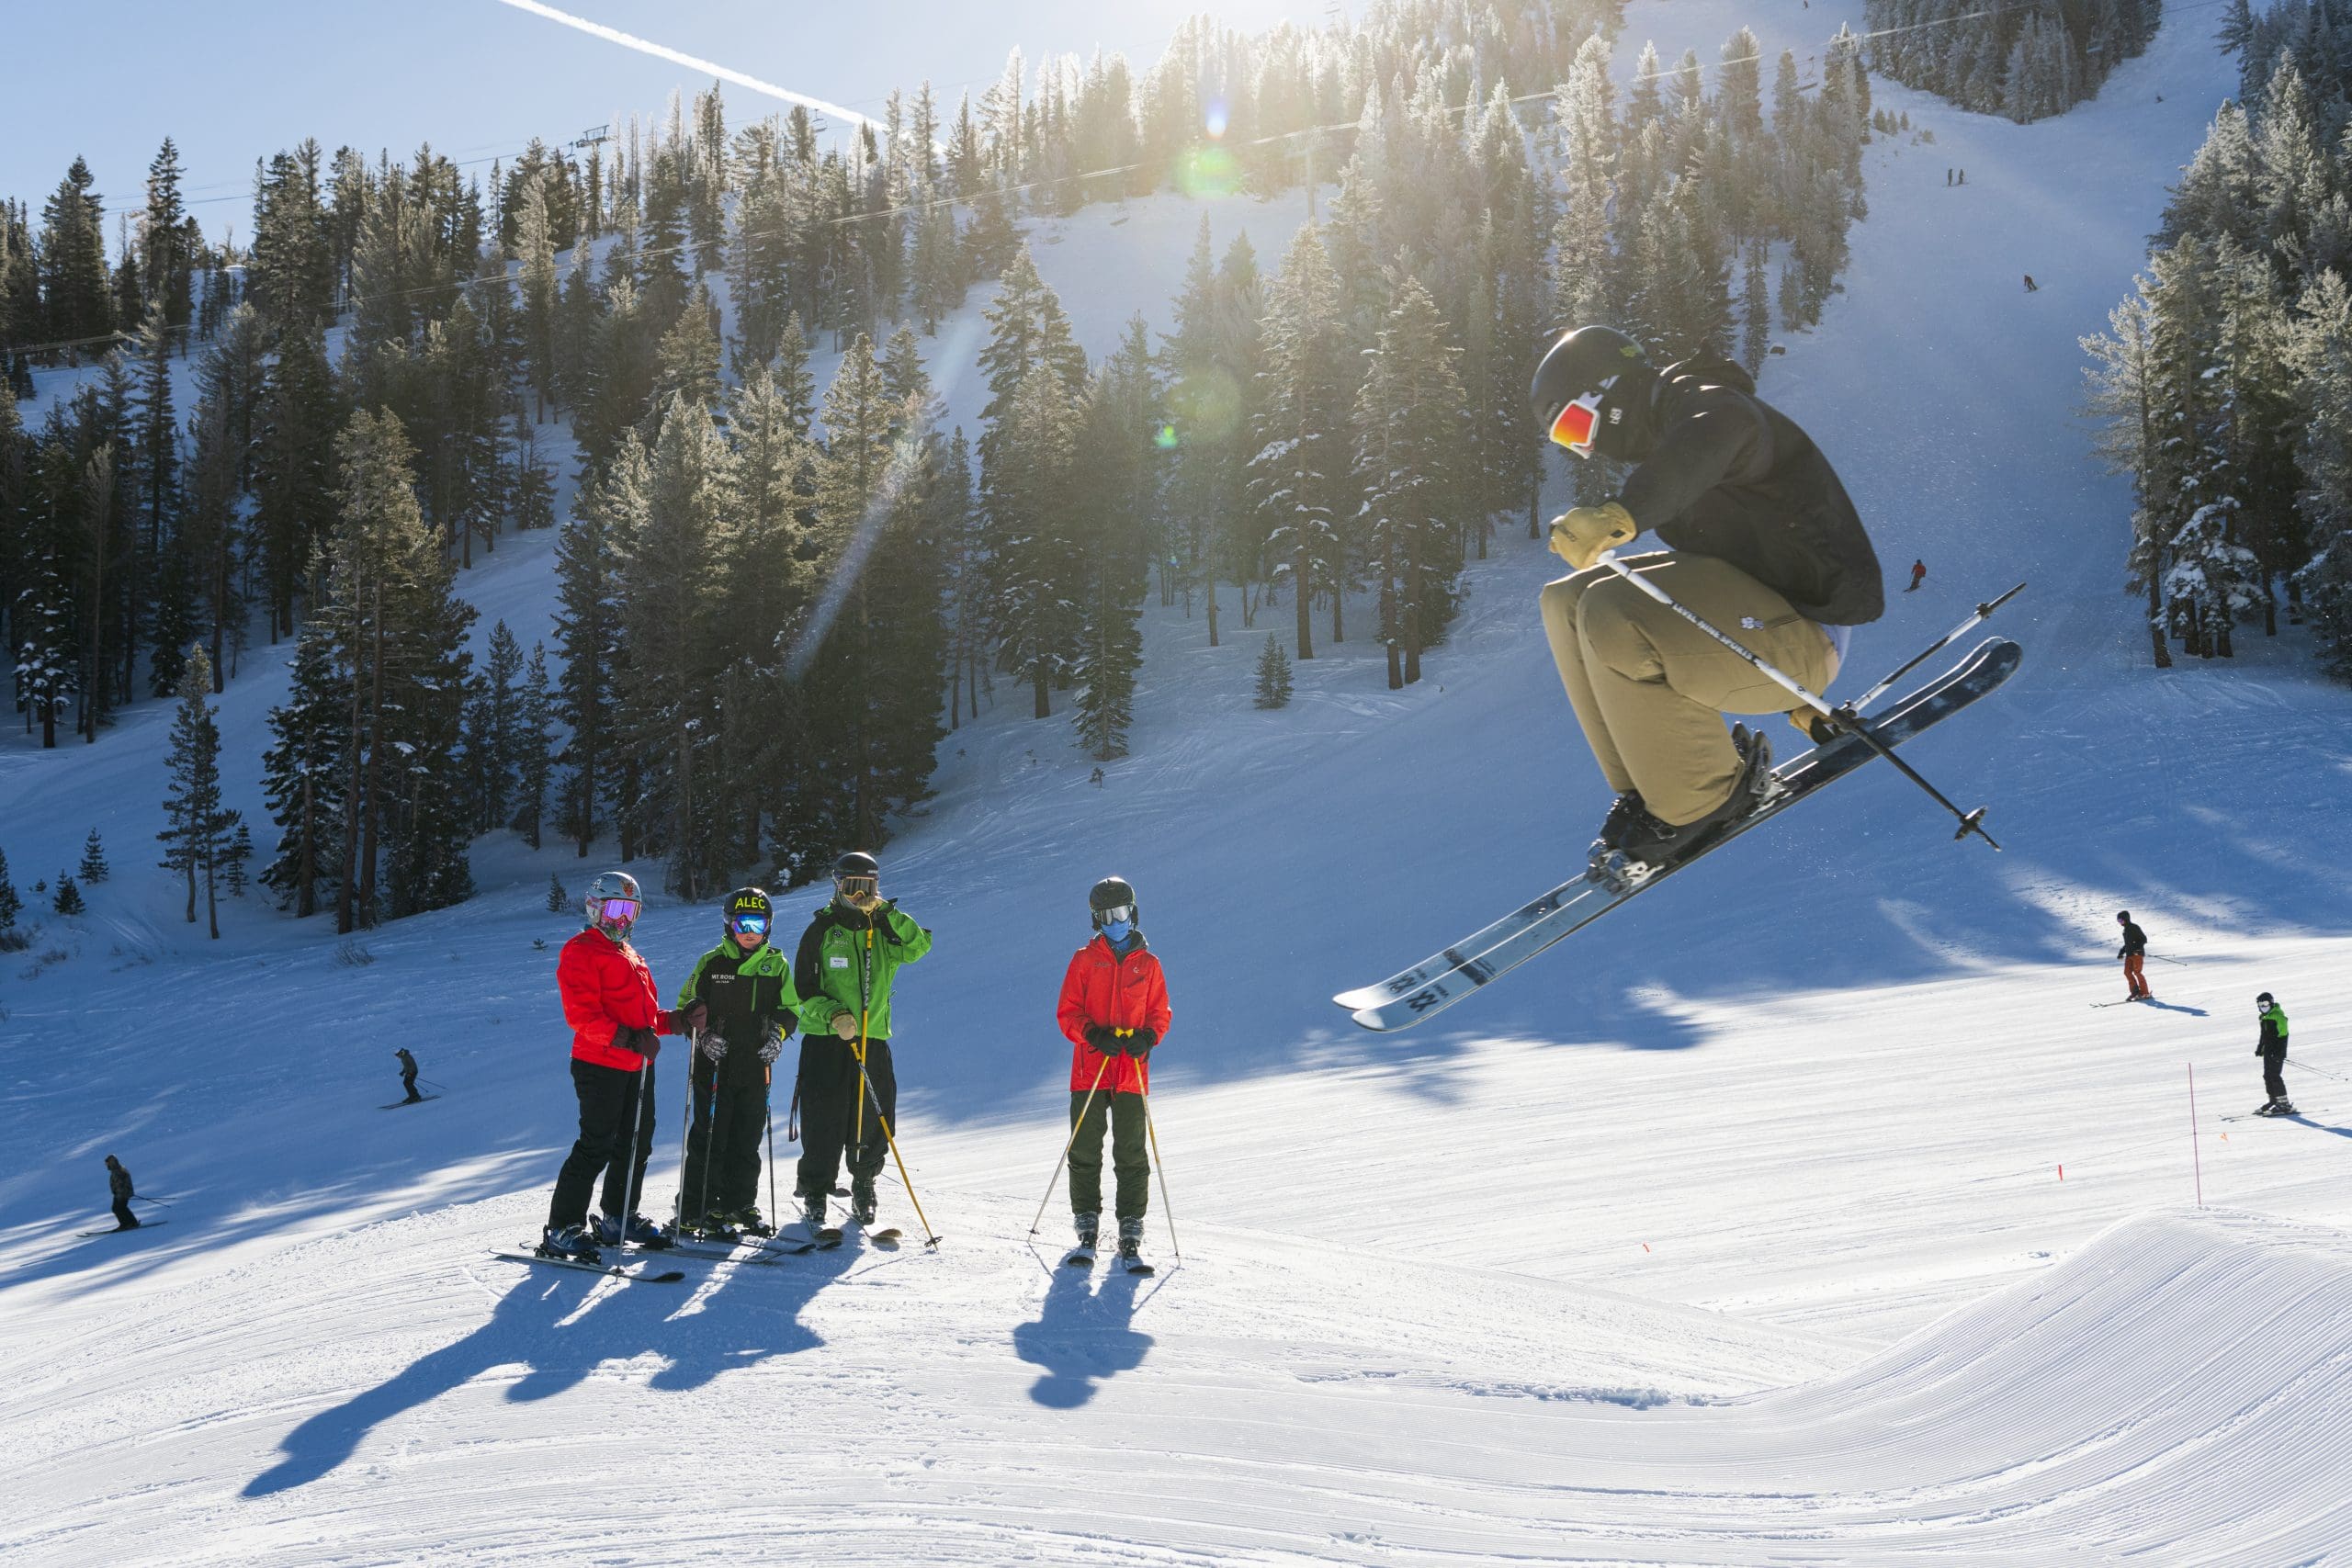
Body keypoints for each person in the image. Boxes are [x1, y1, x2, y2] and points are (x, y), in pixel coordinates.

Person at [1529, 324, 1884, 870]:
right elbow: (1737, 575)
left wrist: (1623, 515)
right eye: (1568, 443)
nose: (1586, 447)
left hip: (1805, 634)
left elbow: (1723, 430)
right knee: (1568, 602)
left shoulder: (1708, 404)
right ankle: (1652, 789)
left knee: (1614, 611)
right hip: (1764, 630)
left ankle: (1700, 797)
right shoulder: (1674, 438)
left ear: (1607, 392)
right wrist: (1801, 704)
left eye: (1577, 426)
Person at [541, 871, 680, 1262]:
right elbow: (582, 1017)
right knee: (596, 1144)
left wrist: (675, 1021)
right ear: (595, 908)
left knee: (637, 1142)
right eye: (615, 909)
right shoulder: (581, 950)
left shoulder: (630, 955)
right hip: (598, 1064)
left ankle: (619, 1215)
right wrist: (631, 1038)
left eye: (630, 910)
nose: (622, 919)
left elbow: (646, 1018)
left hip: (636, 1065)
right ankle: (562, 1227)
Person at [792, 852, 933, 1232]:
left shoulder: (883, 926)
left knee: (873, 1115)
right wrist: (834, 1014)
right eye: (850, 886)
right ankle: (816, 1189)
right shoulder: (821, 929)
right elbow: (803, 987)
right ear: (837, 885)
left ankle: (864, 1184)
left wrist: (886, 912)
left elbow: (918, 947)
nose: (858, 895)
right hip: (827, 1039)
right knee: (824, 1116)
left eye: (866, 887)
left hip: (872, 1036)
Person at [1055, 877, 1174, 1267]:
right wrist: (1091, 1033)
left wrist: (1149, 1037)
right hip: (1091, 1069)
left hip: (1130, 1073)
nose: (1114, 921)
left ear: (1133, 913)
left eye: (1120, 913)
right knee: (1085, 1150)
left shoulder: (1149, 965)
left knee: (1131, 1153)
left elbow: (1160, 1013)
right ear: (1095, 920)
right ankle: (1086, 1222)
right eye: (1106, 916)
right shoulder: (1084, 960)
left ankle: (1130, 1225)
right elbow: (1068, 1012)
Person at [673, 887, 800, 1237]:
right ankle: (697, 1207)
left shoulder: (776, 963)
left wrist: (777, 1034)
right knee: (712, 1137)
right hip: (715, 1065)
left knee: (747, 1137)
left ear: (768, 926)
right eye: (742, 923)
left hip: (754, 1064)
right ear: (729, 924)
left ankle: (739, 1203)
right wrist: (704, 1033)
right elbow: (687, 1005)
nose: (750, 931)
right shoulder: (712, 962)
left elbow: (791, 1009)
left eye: (757, 923)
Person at [2254, 992, 2294, 1115]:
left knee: (2275, 1076)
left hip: (2276, 1053)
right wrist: (2260, 1048)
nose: (2263, 1006)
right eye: (2260, 1004)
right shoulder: (2264, 1017)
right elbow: (2264, 1036)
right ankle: (2274, 1100)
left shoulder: (2278, 1016)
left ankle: (2284, 1104)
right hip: (2268, 1052)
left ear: (2271, 1003)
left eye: (2265, 1004)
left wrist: (2279, 1053)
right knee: (2267, 1075)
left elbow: (2283, 1035)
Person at [2115, 910, 2152, 1000]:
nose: (2120, 923)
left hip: (2137, 954)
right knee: (2127, 972)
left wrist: (2138, 949)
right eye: (2118, 921)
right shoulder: (2125, 930)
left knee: (2137, 972)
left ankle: (2145, 993)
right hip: (2129, 955)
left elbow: (2143, 939)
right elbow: (2128, 944)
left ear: (2126, 919)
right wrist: (2121, 952)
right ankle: (2135, 992)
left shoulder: (2134, 927)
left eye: (2121, 920)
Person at [104, 1155, 138, 1231]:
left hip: (122, 1194)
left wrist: (120, 1194)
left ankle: (125, 1224)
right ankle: (132, 1223)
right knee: (121, 1208)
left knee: (117, 1208)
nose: (106, 1165)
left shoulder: (118, 1171)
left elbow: (121, 1184)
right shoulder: (117, 1170)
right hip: (120, 1193)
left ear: (111, 1163)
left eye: (107, 1163)